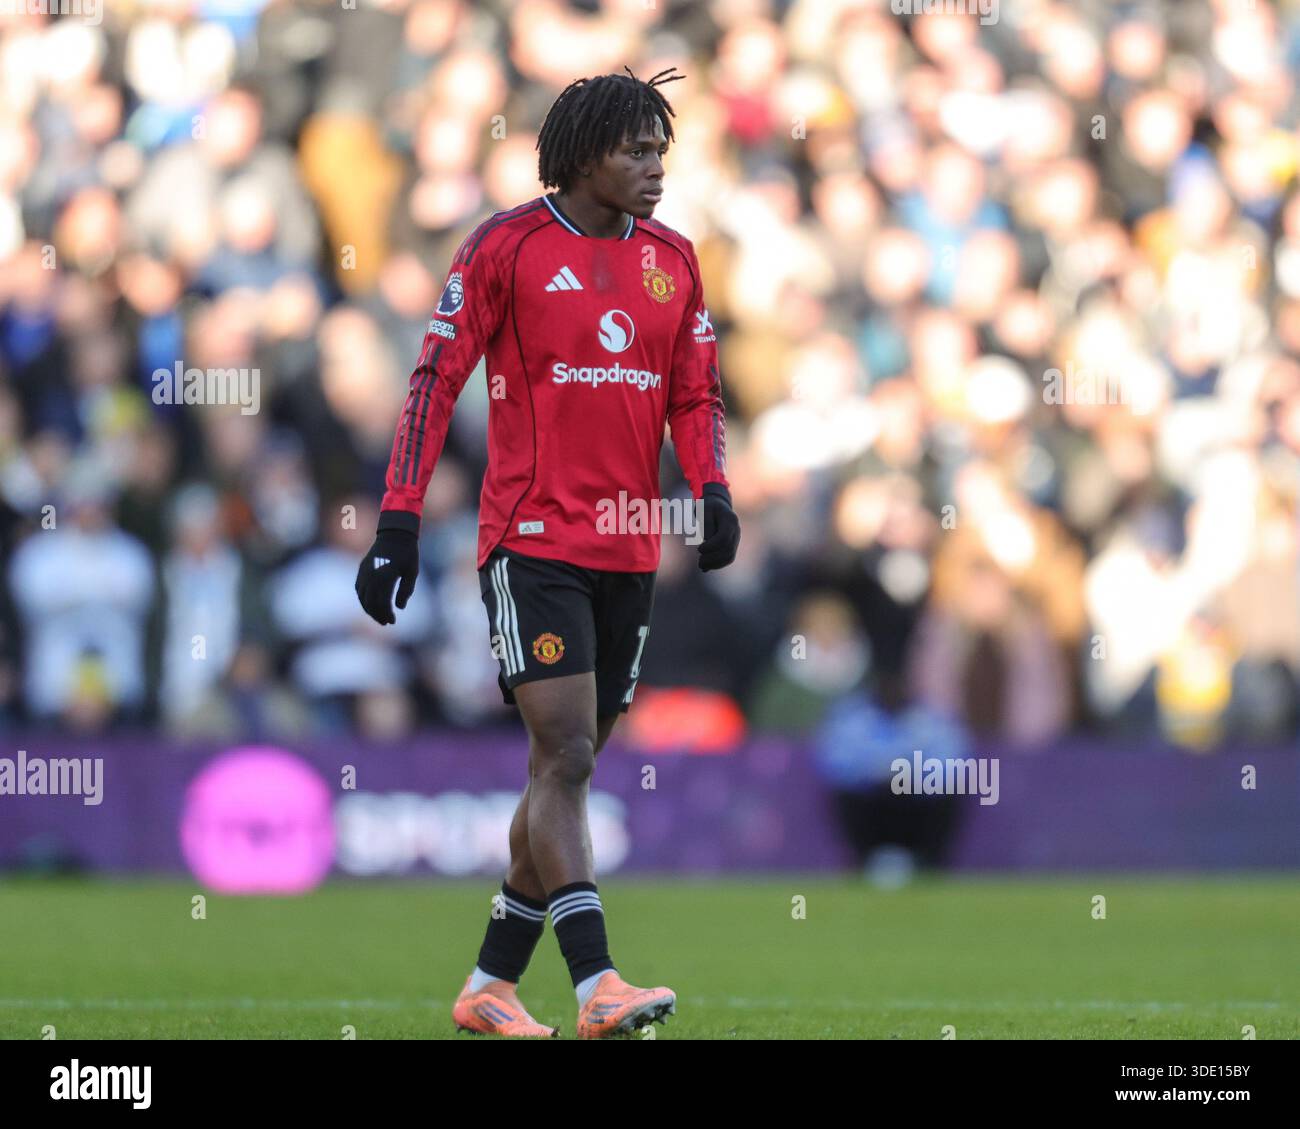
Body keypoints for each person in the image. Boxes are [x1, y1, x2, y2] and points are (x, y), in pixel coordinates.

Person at [354, 67, 740, 1038]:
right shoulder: (506, 246)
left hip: (629, 545)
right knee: (564, 752)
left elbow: (694, 392)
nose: (655, 168)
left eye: (661, 150)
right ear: (581, 155)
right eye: (634, 150)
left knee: (560, 771)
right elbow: (435, 377)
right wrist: (399, 518)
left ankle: (488, 987)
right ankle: (595, 982)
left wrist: (711, 488)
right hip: (531, 542)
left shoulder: (674, 260)